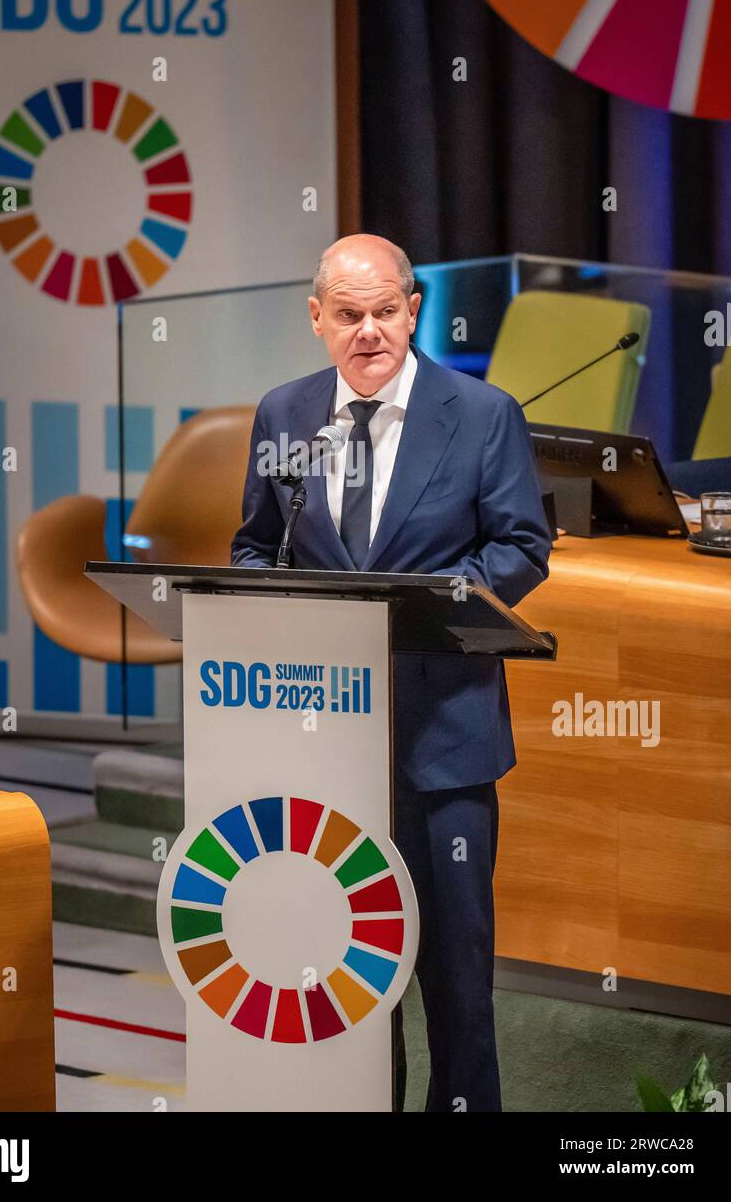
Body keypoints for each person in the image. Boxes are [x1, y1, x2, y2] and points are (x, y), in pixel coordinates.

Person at [231, 233, 552, 1111]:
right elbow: (256, 548)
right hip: (323, 743)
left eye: (385, 312)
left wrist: (438, 606)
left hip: (444, 739)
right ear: (316, 320)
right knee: (343, 970)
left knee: (454, 976)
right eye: (348, 316)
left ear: (414, 310)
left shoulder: (483, 413)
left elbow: (524, 546)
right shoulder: (284, 415)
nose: (368, 332)